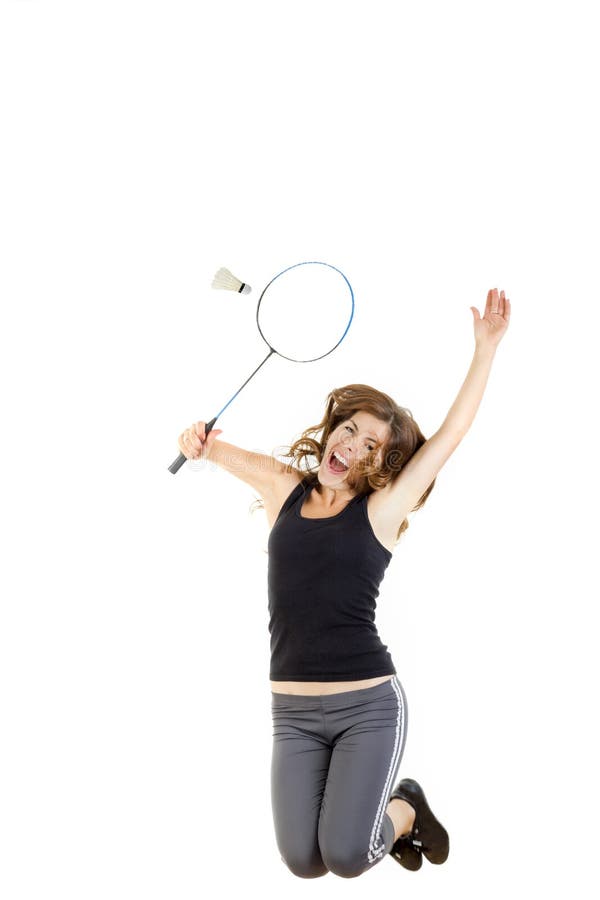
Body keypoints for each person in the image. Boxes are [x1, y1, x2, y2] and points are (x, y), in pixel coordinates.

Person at [177, 287, 511, 879]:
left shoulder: (382, 509)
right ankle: (376, 812)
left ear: (379, 463)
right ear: (332, 428)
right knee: (304, 861)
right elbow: (213, 449)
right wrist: (197, 443)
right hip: (293, 712)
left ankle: (406, 809)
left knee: (348, 856)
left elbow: (448, 439)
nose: (349, 446)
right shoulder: (287, 488)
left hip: (368, 706)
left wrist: (484, 351)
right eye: (349, 430)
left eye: (369, 446)